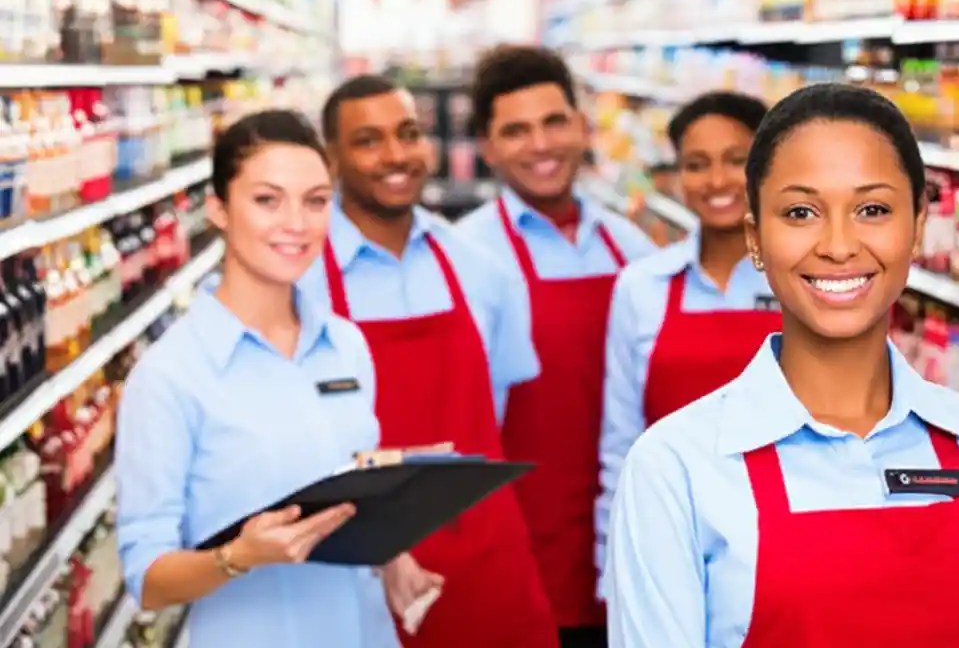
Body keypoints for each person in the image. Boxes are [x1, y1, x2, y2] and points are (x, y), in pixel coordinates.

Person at [603, 84, 959, 647]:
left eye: (873, 209)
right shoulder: (677, 469)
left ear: (918, 226)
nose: (839, 245)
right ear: (756, 237)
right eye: (801, 212)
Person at [114, 110, 441, 648]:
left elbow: (350, 500)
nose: (296, 222)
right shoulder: (171, 376)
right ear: (218, 210)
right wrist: (238, 557)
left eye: (315, 201)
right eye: (267, 200)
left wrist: (392, 558)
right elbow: (146, 581)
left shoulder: (346, 346)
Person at [296, 75, 558, 648]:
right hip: (359, 564)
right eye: (368, 140)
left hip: (488, 555)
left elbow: (502, 412)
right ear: (331, 159)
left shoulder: (482, 266)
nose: (395, 156)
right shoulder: (300, 282)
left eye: (408, 134)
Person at [456, 45, 655, 647]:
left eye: (552, 122)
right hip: (520, 547)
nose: (540, 145)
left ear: (581, 125)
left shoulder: (632, 249)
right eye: (515, 131)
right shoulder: (467, 258)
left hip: (629, 542)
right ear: (488, 149)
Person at [595, 91, 779, 590]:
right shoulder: (642, 287)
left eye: (736, 161)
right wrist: (613, 567)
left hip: (784, 535)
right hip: (668, 536)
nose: (717, 181)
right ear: (677, 175)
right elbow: (620, 441)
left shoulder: (799, 280)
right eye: (696, 164)